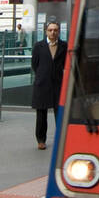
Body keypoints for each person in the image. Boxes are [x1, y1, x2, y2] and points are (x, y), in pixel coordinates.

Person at [31, 19, 67, 149]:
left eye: (55, 30)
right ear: (46, 32)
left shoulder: (64, 46)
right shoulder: (38, 46)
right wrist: (42, 75)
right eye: (50, 30)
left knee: (60, 113)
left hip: (57, 84)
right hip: (42, 84)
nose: (53, 32)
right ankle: (41, 140)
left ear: (58, 32)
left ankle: (60, 139)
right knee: (41, 114)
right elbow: (35, 64)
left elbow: (65, 64)